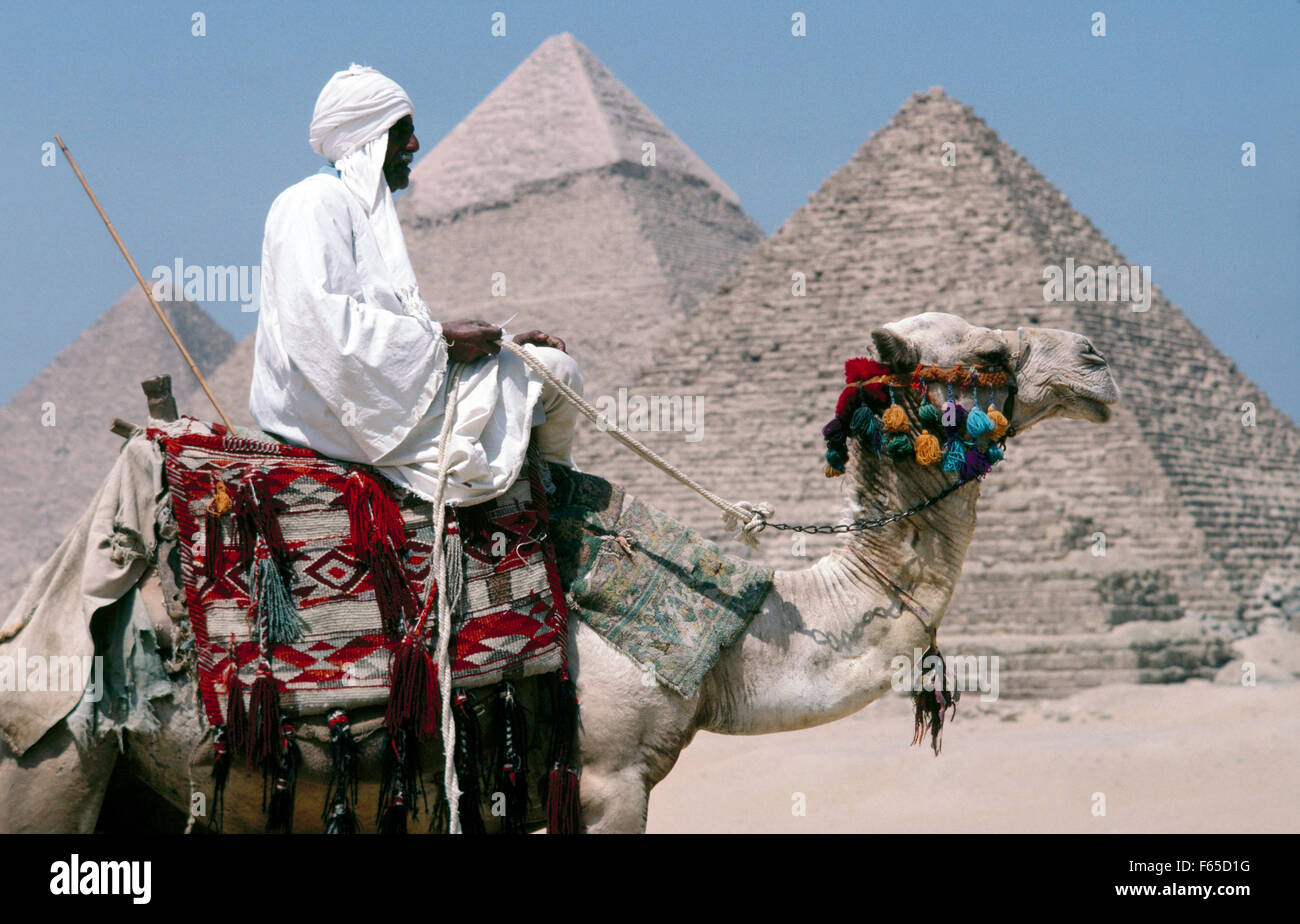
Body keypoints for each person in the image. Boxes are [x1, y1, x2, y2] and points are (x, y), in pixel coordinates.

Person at [249, 64, 582, 506]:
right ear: (365, 137)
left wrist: (494, 351)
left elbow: (384, 340)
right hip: (330, 415)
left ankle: (548, 491)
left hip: (373, 400)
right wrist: (443, 341)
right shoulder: (314, 201)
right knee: (556, 375)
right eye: (400, 131)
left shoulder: (361, 211)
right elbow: (323, 329)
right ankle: (558, 508)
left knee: (540, 365)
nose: (415, 145)